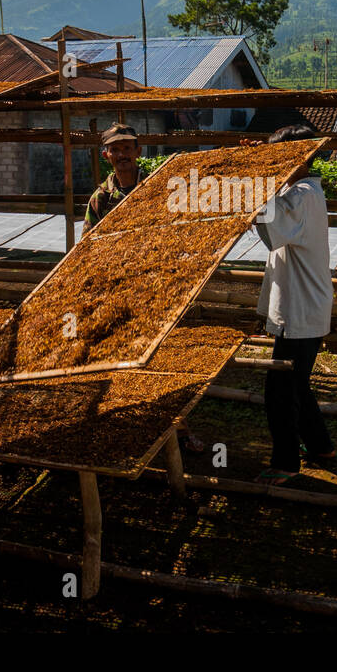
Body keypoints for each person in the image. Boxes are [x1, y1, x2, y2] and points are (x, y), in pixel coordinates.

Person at [83, 123, 206, 453]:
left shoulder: (159, 188)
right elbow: (88, 248)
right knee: (122, 360)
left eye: (128, 148)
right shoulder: (100, 200)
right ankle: (130, 426)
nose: (122, 154)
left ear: (138, 152)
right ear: (107, 155)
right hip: (117, 295)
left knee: (162, 361)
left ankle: (178, 431)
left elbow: (180, 232)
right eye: (116, 149)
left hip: (157, 290)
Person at [253, 125, 335, 485]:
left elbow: (268, 225)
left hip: (300, 311)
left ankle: (285, 463)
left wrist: (255, 173)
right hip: (306, 306)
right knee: (297, 385)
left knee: (280, 392)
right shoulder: (302, 191)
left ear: (300, 158)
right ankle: (321, 447)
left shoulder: (301, 196)